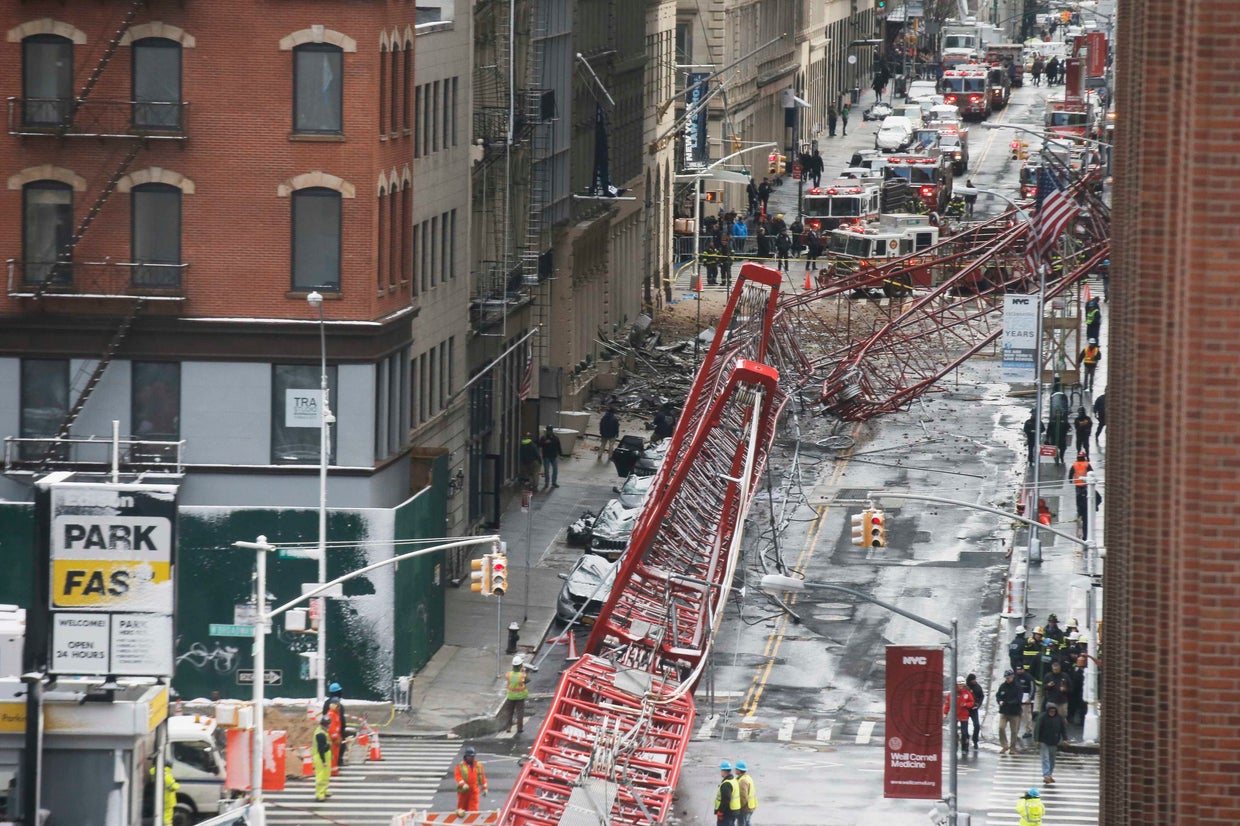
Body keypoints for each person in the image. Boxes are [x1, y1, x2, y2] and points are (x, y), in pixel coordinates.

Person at [1034, 704, 1067, 783]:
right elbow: (1037, 729)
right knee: (1045, 758)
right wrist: (1036, 740)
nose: (1052, 712)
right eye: (1051, 711)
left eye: (1054, 711)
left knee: (1052, 759)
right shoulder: (1042, 717)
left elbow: (1063, 729)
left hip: (1054, 741)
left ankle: (1049, 774)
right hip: (1043, 741)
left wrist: (1065, 739)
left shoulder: (1059, 718)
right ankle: (1046, 775)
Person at [944, 675, 975, 754]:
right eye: (959, 684)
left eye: (962, 684)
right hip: (955, 716)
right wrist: (945, 713)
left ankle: (965, 747)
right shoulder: (952, 694)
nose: (961, 686)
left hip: (964, 715)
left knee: (964, 733)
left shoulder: (967, 693)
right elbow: (948, 704)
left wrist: (966, 704)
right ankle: (955, 746)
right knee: (954, 732)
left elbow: (972, 702)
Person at [498, 655, 529, 734]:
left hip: (510, 696)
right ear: (520, 665)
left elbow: (508, 680)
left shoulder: (508, 674)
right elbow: (527, 680)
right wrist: (523, 671)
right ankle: (520, 728)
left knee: (510, 712)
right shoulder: (522, 675)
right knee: (520, 712)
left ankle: (508, 727)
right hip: (520, 697)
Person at [996, 670, 1023, 754]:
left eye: (1009, 678)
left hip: (1014, 712)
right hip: (1004, 711)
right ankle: (1004, 745)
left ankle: (1012, 748)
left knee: (1014, 731)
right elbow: (998, 695)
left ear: (1012, 677)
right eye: (1006, 678)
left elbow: (1018, 699)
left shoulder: (1018, 687)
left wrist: (1008, 703)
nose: (1007, 679)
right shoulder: (1003, 686)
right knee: (1001, 728)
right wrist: (999, 701)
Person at [455, 746, 488, 814]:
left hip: (474, 790)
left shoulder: (478, 765)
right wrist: (463, 784)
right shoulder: (460, 766)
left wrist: (485, 788)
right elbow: (457, 776)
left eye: (473, 756)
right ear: (466, 756)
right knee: (462, 810)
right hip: (464, 791)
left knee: (473, 811)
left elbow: (482, 777)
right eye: (470, 756)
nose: (472, 758)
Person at [322, 682, 347, 768]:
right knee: (337, 747)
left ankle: (334, 762)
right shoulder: (337, 705)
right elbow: (340, 720)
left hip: (331, 731)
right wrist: (339, 733)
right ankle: (337, 761)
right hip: (335, 732)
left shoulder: (326, 704)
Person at [312, 714, 333, 802]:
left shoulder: (323, 731)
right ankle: (319, 794)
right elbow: (321, 749)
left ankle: (324, 790)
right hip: (321, 757)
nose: (329, 725)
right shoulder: (320, 734)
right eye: (328, 724)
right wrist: (324, 761)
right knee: (320, 776)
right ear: (325, 724)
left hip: (326, 756)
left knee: (326, 775)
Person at [1069, 450, 1093, 525]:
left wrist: (1070, 479)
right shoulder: (1086, 464)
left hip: (1078, 484)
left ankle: (1079, 511)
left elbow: (1071, 472)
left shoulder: (1075, 464)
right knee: (1086, 498)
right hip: (1085, 484)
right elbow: (1091, 472)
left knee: (1078, 498)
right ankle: (1085, 510)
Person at [715, 761, 742, 825]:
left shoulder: (726, 784)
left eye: (721, 770)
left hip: (727, 812)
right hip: (734, 811)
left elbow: (726, 800)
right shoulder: (733, 780)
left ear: (724, 771)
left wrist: (720, 812)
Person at [1014, 663, 1036, 739]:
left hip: (1026, 699)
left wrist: (1029, 698)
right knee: (1017, 717)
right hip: (1017, 700)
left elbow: (1033, 689)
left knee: (1027, 717)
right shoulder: (1015, 677)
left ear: (1023, 669)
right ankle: (1015, 732)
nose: (1019, 671)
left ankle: (1028, 731)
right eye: (1018, 670)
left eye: (1020, 669)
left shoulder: (1029, 677)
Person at [734, 760, 758, 825]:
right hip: (751, 806)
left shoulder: (743, 781)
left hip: (745, 809)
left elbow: (743, 797)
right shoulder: (748, 777)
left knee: (742, 823)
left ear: (739, 770)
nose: (735, 769)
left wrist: (738, 807)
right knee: (747, 822)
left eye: (736, 768)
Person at [966, 673, 985, 748]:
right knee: (965, 726)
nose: (974, 681)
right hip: (966, 709)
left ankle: (975, 740)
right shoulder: (965, 687)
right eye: (973, 680)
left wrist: (978, 704)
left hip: (974, 709)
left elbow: (981, 696)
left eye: (975, 679)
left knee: (976, 725)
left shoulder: (978, 687)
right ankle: (965, 739)